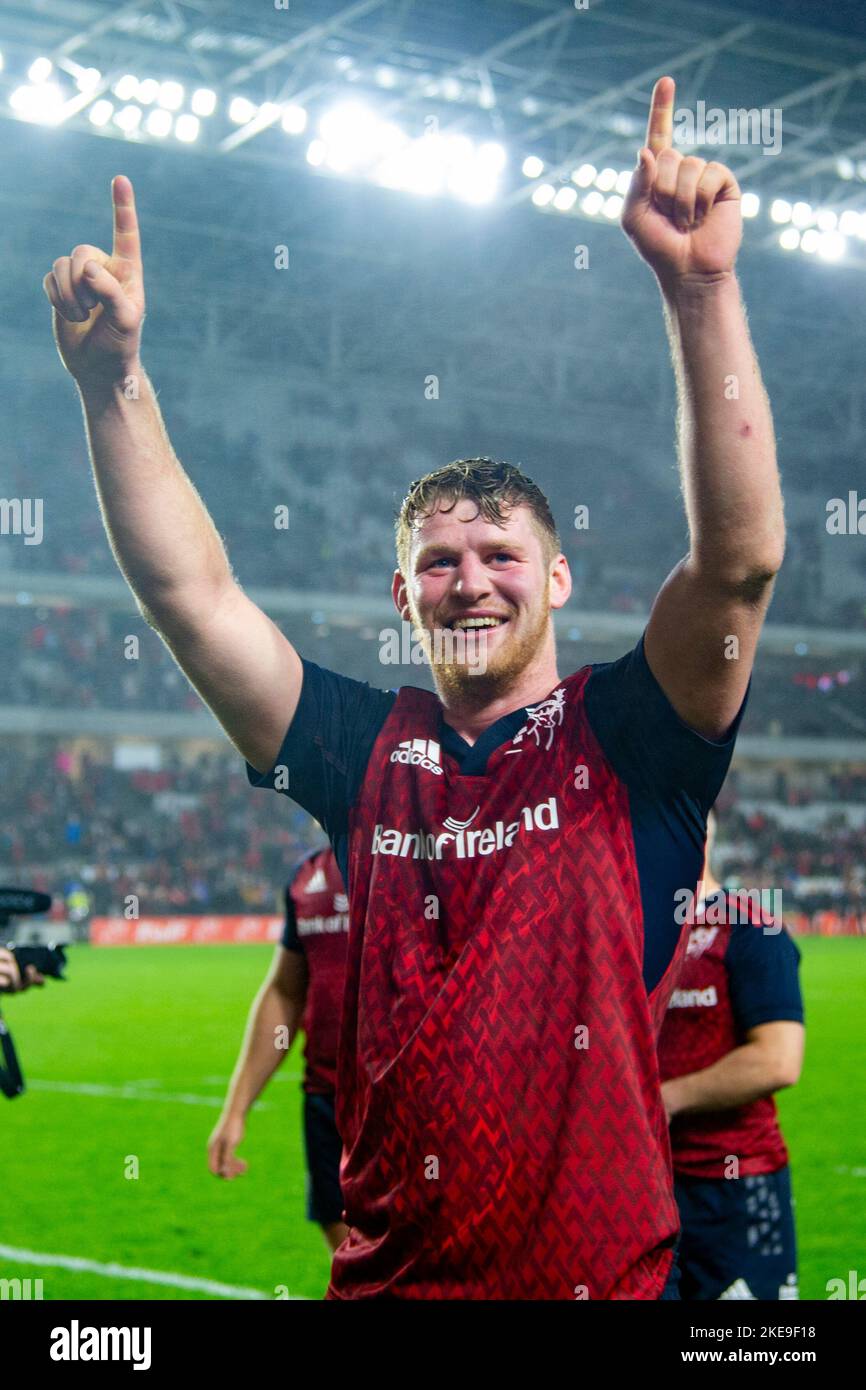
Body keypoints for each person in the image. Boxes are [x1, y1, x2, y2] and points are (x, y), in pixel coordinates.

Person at [44, 74, 785, 1298]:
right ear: (403, 599)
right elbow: (194, 598)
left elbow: (741, 562)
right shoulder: (356, 748)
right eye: (437, 561)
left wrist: (700, 290)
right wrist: (112, 385)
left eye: (501, 556)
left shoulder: (632, 739)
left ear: (554, 578)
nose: (470, 582)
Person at [658, 811, 805, 1300]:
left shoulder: (750, 928)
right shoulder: (637, 935)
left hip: (736, 1188)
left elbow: (778, 1059)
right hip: (649, 1188)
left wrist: (666, 1099)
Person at [207, 846, 349, 1254]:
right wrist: (236, 1110)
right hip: (328, 1100)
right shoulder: (307, 876)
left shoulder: (429, 856)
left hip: (414, 1104)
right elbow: (286, 991)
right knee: (349, 1254)